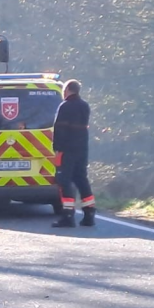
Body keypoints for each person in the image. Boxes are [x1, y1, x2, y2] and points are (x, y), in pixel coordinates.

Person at [52, 79, 94, 228]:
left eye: (64, 90)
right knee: (81, 179)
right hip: (82, 149)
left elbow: (60, 129)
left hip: (67, 150)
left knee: (64, 181)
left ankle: (68, 216)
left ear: (68, 89)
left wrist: (57, 148)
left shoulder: (65, 106)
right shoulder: (85, 106)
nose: (63, 93)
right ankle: (89, 213)